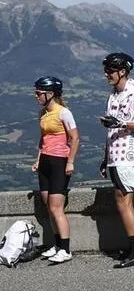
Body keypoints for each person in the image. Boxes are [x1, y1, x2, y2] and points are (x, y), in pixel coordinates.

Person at [99, 52, 134, 269]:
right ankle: (133, 249)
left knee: (123, 201)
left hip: (128, 155)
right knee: (128, 201)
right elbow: (113, 127)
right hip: (116, 154)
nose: (106, 75)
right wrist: (106, 157)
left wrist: (121, 123)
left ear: (123, 71)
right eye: (106, 71)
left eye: (110, 71)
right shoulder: (114, 95)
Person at [31, 76, 79, 264]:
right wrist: (37, 160)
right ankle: (57, 245)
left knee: (57, 208)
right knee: (48, 207)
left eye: (39, 93)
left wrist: (70, 162)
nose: (36, 96)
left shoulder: (64, 113)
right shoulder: (43, 113)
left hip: (60, 162)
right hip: (45, 162)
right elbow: (42, 140)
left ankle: (65, 250)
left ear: (50, 94)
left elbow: (74, 138)